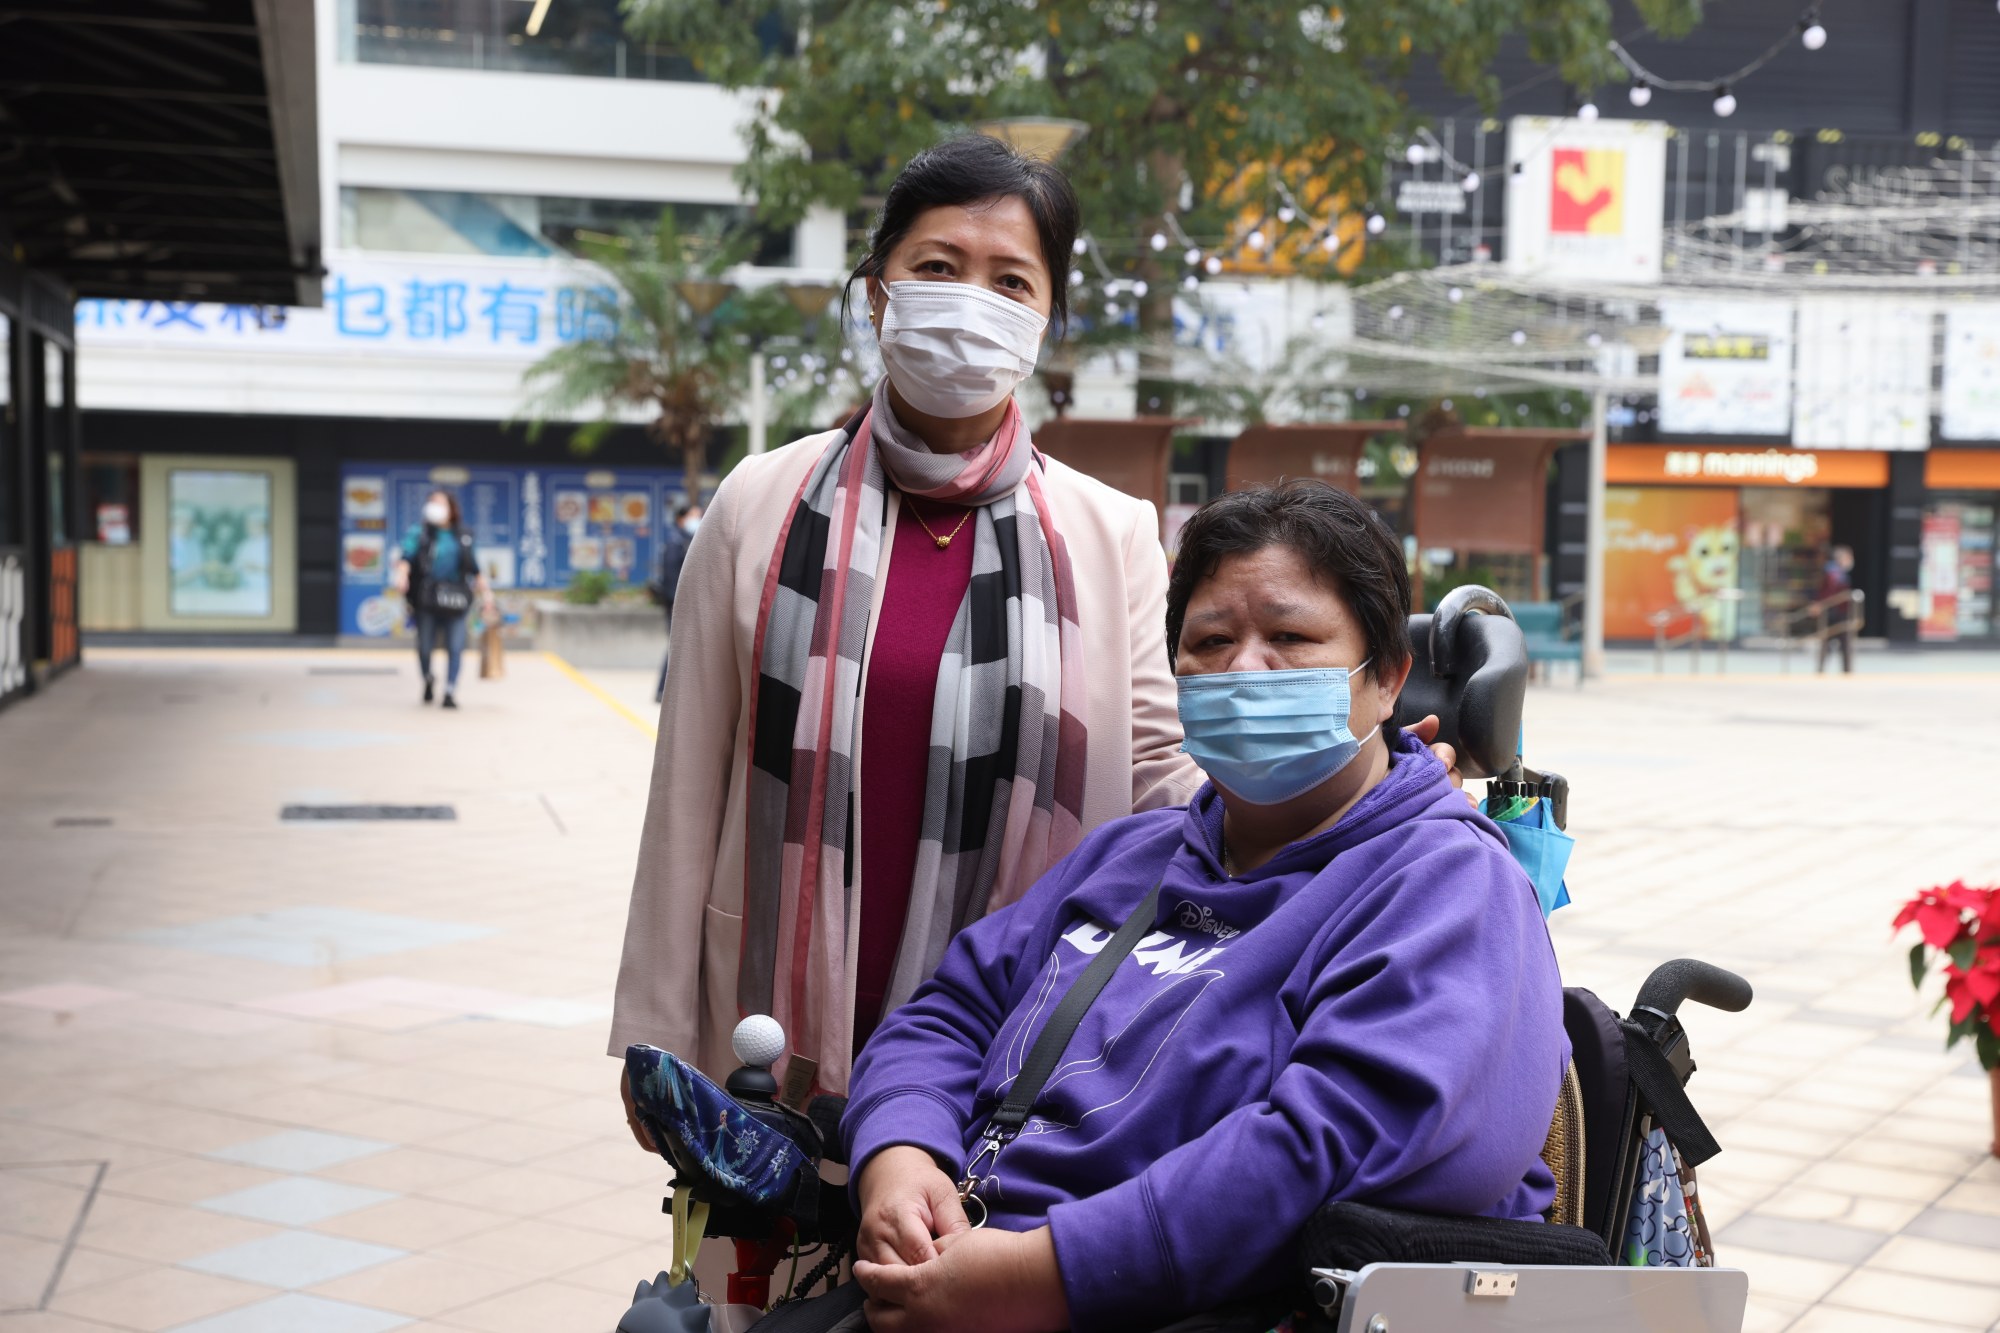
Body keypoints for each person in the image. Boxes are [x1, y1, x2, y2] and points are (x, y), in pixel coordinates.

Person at [608, 133, 1466, 1134]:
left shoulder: (1109, 533)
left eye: (1010, 280)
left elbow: (1160, 768)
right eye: (938, 267)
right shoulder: (760, 502)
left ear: (1044, 320)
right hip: (771, 1008)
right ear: (878, 293)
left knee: (946, 1227)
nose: (970, 301)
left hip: (1012, 1015)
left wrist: (1362, 784)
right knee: (769, 1229)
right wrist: (654, 1034)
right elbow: (688, 780)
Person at [840, 482, 1567, 1333]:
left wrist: (1038, 1279)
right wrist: (900, 1157)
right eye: (1211, 640)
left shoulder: (1448, 887)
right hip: (958, 1270)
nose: (1244, 668)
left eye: (1290, 638)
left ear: (1387, 680)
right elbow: (950, 1011)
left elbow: (1333, 1144)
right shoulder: (1129, 855)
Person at [390, 488, 495, 710]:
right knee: (425, 647)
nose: (433, 507)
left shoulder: (463, 534)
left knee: (456, 646)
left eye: (439, 503)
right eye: (431, 502)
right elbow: (406, 556)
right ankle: (428, 678)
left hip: (457, 598)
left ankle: (449, 690)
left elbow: (475, 567)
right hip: (427, 598)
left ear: (451, 508)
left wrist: (487, 594)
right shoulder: (420, 532)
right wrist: (402, 575)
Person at [651, 501, 701, 705]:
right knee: (676, 644)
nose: (698, 520)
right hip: (676, 604)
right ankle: (663, 690)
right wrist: (676, 602)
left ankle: (670, 690)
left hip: (683, 603)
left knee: (680, 645)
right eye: (694, 516)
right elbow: (671, 576)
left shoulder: (688, 540)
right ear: (681, 519)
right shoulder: (676, 542)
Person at [1818, 544, 1856, 674]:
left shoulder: (1837, 572)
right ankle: (1845, 671)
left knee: (1838, 643)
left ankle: (1843, 670)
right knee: (1840, 641)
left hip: (1837, 611)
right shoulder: (1834, 572)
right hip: (1835, 612)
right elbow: (1829, 591)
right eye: (1849, 557)